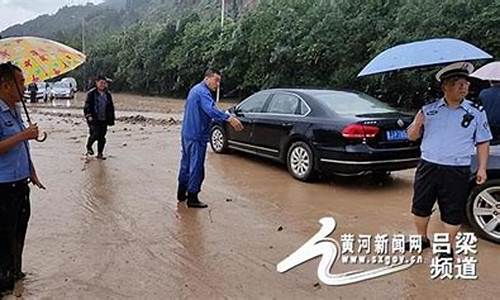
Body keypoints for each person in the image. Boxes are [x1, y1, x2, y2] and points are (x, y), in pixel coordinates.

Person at [407, 62, 492, 258]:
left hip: (456, 169)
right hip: (428, 166)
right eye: (456, 82)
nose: (463, 86)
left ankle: (448, 246)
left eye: (465, 82)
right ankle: (421, 239)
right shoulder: (428, 110)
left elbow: (483, 142)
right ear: (444, 86)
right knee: (420, 206)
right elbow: (411, 136)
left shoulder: (476, 112)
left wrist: (482, 168)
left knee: (452, 210)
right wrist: (417, 124)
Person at [0, 63, 45, 295]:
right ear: (6, 85)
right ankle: (4, 282)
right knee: (3, 236)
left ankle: (16, 273)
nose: (25, 87)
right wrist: (23, 134)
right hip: (3, 187)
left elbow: (22, 148)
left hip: (21, 184)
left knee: (19, 231)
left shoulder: (16, 110)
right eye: (20, 82)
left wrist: (32, 171)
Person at [177, 69, 244, 208]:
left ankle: (181, 193)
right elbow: (211, 110)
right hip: (197, 135)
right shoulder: (203, 93)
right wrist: (229, 118)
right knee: (196, 167)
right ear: (207, 78)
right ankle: (193, 198)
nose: (218, 84)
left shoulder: (195, 90)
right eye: (216, 80)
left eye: (219, 81)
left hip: (187, 133)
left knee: (186, 164)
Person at [84, 75, 115, 160]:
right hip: (93, 118)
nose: (102, 85)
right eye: (101, 83)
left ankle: (100, 154)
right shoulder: (91, 94)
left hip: (104, 118)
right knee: (95, 134)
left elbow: (111, 107)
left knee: (102, 137)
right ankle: (89, 146)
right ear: (96, 83)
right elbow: (87, 106)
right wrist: (88, 115)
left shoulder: (108, 94)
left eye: (104, 83)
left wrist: (111, 119)